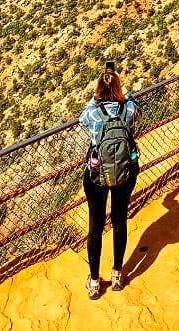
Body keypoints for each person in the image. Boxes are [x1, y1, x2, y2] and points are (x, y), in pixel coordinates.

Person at [79, 60, 140, 300]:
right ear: (118, 88)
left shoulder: (93, 112)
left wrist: (96, 99)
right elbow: (133, 104)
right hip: (124, 174)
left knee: (95, 226)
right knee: (119, 220)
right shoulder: (129, 110)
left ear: (98, 90)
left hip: (97, 175)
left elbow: (82, 118)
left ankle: (94, 281)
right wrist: (125, 94)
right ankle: (117, 273)